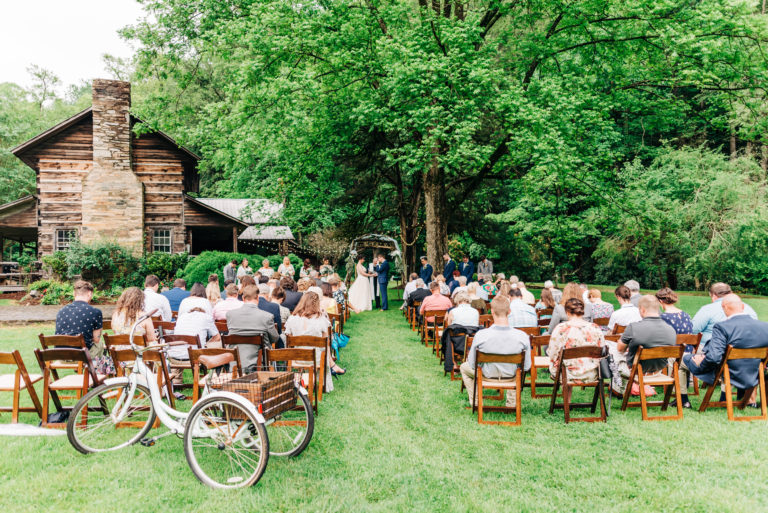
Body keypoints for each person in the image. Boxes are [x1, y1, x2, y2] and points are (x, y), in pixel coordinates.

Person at [684, 294, 768, 407]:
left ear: (725, 308)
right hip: (755, 372)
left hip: (729, 372)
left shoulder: (722, 327)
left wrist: (701, 364)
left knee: (683, 359)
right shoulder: (764, 326)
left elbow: (714, 358)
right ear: (742, 307)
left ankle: (683, 400)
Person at [460, 295, 531, 408]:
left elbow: (472, 364)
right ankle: (512, 403)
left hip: (486, 376)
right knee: (518, 370)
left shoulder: (481, 335)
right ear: (509, 311)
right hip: (511, 376)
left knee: (464, 367)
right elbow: (526, 367)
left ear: (492, 311)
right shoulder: (522, 336)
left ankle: (476, 401)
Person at [616, 296, 676, 392]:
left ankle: (620, 388)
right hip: (658, 371)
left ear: (642, 310)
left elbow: (620, 349)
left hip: (635, 371)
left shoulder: (633, 327)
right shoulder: (671, 330)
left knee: (612, 352)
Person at [285, 292, 344, 386]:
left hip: (297, 357)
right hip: (316, 359)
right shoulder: (321, 320)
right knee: (325, 346)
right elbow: (326, 341)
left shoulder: (292, 319)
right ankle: (330, 369)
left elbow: (289, 338)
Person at [547, 298, 605, 382]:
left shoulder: (561, 328)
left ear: (567, 312)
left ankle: (567, 393)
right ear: (582, 312)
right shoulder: (594, 327)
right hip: (592, 373)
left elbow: (552, 353)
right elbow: (603, 351)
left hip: (567, 373)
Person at [226, 284, 279, 372]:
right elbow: (274, 338)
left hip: (235, 363)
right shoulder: (267, 317)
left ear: (243, 298)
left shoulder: (230, 315)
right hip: (259, 364)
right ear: (257, 298)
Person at [692, 282, 758, 350]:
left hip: (711, 349)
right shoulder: (749, 309)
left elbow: (693, 329)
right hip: (743, 350)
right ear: (731, 293)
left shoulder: (707, 309)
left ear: (714, 296)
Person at [55, 280, 105, 364]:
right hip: (81, 356)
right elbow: (96, 339)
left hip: (61, 355)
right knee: (99, 344)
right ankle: (94, 372)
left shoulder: (61, 311)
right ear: (89, 294)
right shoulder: (95, 312)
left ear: (74, 294)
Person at [170, 306, 221, 384]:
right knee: (218, 344)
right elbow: (217, 337)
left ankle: (177, 379)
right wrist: (206, 345)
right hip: (194, 357)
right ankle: (215, 376)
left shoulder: (181, 317)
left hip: (174, 358)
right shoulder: (206, 318)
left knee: (182, 348)